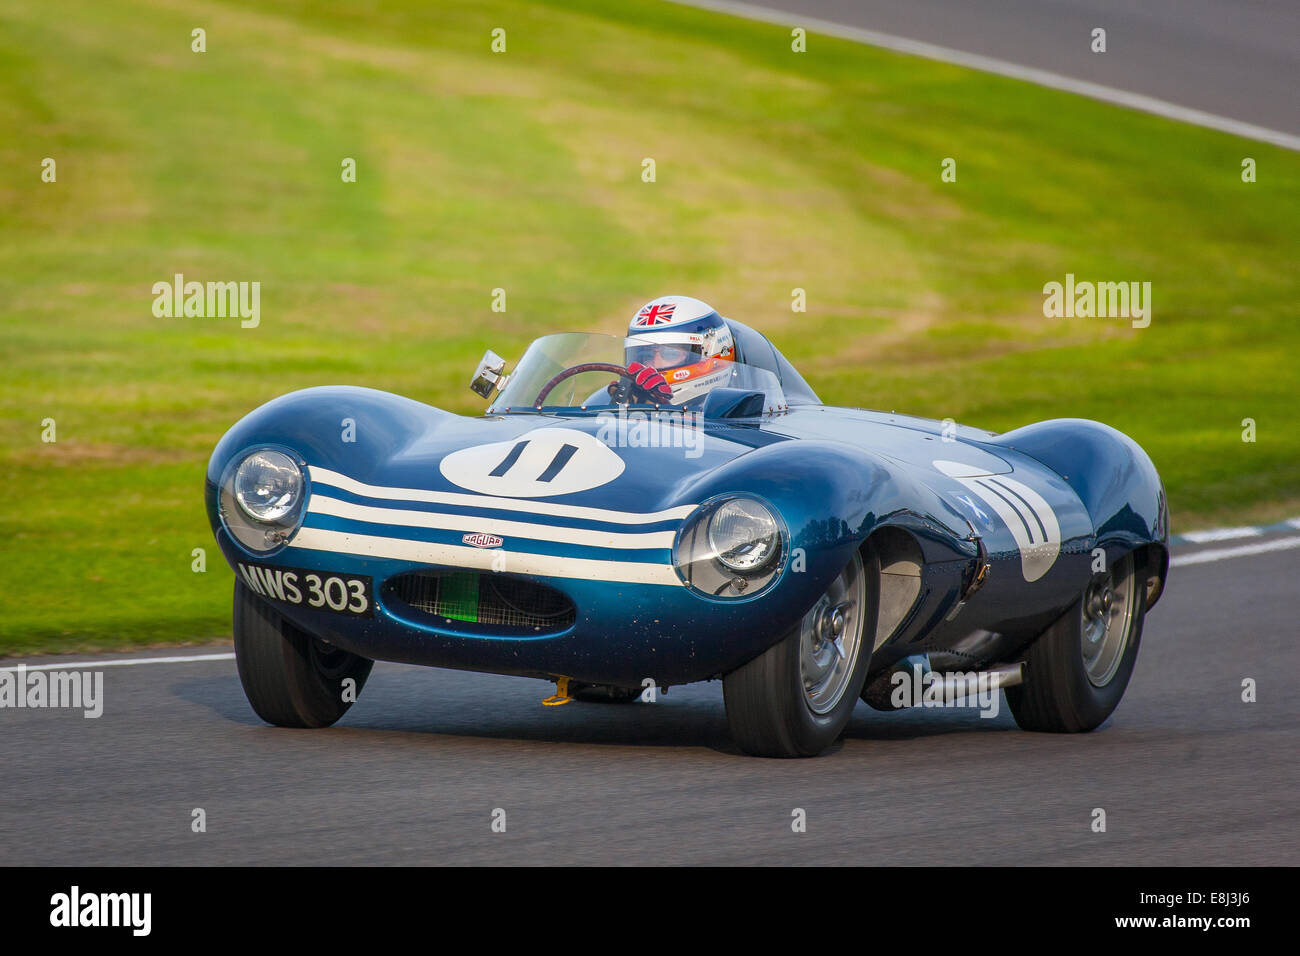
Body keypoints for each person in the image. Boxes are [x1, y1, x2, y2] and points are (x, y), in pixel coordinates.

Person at [620, 295, 736, 404]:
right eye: (646, 355)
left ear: (709, 356)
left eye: (670, 353)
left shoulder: (737, 415)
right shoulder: (625, 400)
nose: (654, 365)